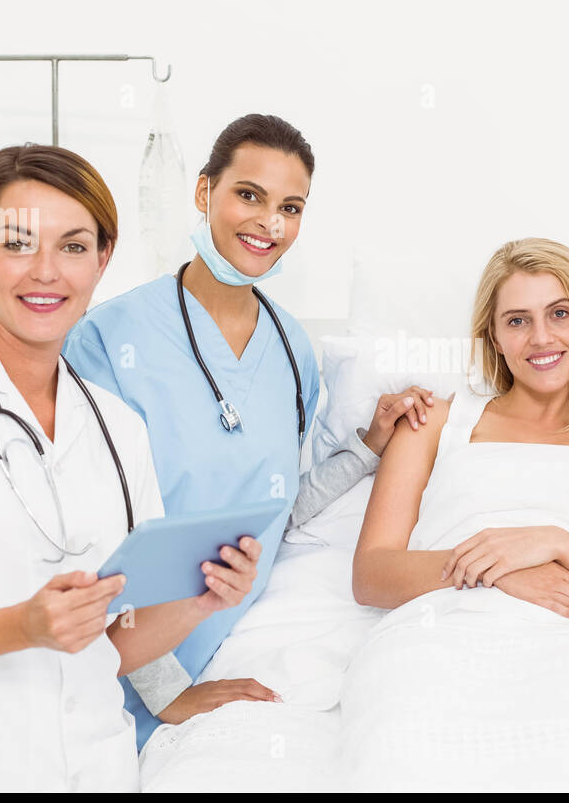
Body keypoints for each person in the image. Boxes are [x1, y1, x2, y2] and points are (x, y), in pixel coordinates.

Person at [0, 144, 257, 791]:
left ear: (103, 259)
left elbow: (107, 648)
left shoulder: (118, 427)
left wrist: (203, 601)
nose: (46, 272)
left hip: (97, 769)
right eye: (19, 243)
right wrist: (20, 626)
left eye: (74, 246)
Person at [63, 113, 435, 748]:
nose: (270, 223)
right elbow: (88, 538)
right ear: (205, 193)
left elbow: (273, 512)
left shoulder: (292, 350)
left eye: (291, 207)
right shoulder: (108, 338)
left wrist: (369, 446)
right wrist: (168, 691)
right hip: (123, 661)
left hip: (239, 640)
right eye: (249, 195)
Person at [346, 238, 569, 789]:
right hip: (439, 634)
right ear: (493, 337)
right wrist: (504, 571)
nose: (541, 338)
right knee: (404, 750)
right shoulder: (434, 422)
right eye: (517, 320)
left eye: (559, 314)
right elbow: (370, 575)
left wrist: (558, 544)